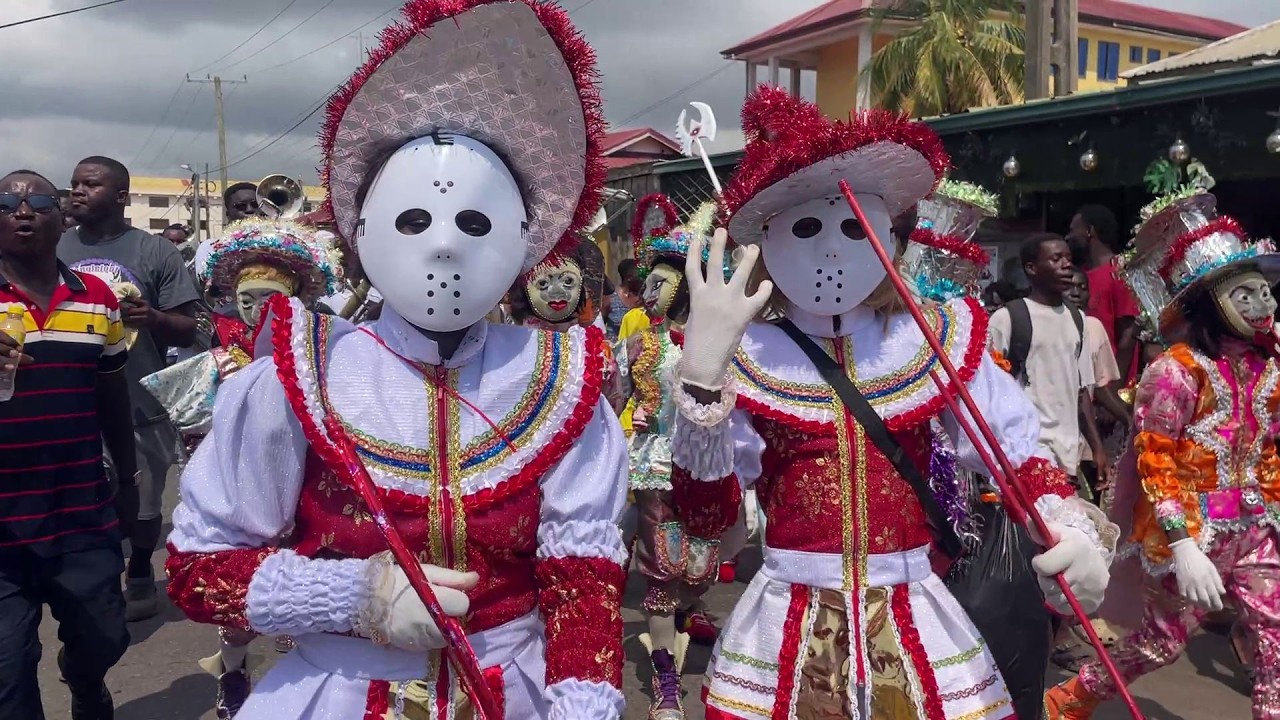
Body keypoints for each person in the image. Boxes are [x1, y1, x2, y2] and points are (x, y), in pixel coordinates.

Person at [164, 1, 628, 717]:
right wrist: (357, 598)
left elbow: (583, 581)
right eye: (414, 220)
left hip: (514, 692)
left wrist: (581, 706)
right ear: (361, 230)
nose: (444, 247)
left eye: (474, 222)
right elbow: (201, 572)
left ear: (524, 239)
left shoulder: (561, 381)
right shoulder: (296, 377)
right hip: (339, 692)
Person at [668, 86, 1116, 720]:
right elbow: (706, 520)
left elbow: (1011, 450)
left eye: (853, 228)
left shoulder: (930, 337)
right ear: (767, 241)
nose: (830, 249)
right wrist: (704, 377)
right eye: (805, 228)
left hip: (914, 613)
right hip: (786, 624)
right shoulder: (747, 355)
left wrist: (1065, 524)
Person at [1047, 190, 1280, 719]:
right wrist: (1182, 545)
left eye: (1265, 293)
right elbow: (1155, 459)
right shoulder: (1173, 372)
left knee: (1274, 637)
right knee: (1161, 644)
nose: (1262, 306)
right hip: (1193, 529)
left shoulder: (1269, 365)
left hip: (1257, 526)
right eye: (1245, 296)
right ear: (1211, 306)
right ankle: (1073, 696)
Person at [0, 169, 137, 720]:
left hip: (80, 512)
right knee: (7, 677)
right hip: (3, 526)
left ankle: (85, 683)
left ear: (63, 219)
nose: (23, 210)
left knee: (104, 639)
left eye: (38, 200)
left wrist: (128, 483)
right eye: (7, 202)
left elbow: (112, 394)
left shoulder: (97, 299)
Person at [58, 155, 201, 622]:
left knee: (140, 499)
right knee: (79, 499)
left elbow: (189, 328)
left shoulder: (156, 252)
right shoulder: (54, 248)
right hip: (69, 402)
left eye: (90, 185)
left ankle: (140, 570)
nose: (78, 191)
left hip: (140, 403)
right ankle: (95, 578)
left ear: (120, 196)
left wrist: (153, 318)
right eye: (75, 183)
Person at [619, 195, 726, 720]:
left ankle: (687, 614)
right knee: (661, 573)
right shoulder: (641, 344)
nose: (649, 293)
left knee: (701, 568)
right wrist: (634, 412)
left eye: (661, 283)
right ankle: (665, 682)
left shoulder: (725, 343)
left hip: (710, 474)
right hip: (656, 469)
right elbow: (607, 398)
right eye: (648, 284)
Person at [1065, 266, 1131, 500]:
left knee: (1089, 502)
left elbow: (1097, 386)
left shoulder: (1093, 328)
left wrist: (1126, 418)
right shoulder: (1047, 325)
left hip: (1084, 435)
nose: (1076, 292)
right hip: (1053, 433)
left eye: (1082, 287)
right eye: (1070, 285)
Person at [1068, 204, 1141, 382]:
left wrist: (1114, 388)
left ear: (1089, 231)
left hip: (1109, 387)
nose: (1068, 237)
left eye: (1073, 230)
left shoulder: (1119, 271)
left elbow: (1128, 337)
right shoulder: (1079, 275)